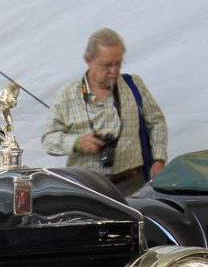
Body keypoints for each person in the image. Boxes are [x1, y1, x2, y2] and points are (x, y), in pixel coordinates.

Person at [42, 28, 169, 196]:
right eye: (106, 65)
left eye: (118, 63)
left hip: (133, 184)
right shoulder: (66, 95)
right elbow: (48, 139)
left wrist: (159, 159)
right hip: (86, 187)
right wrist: (76, 143)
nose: (114, 71)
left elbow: (156, 122)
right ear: (88, 60)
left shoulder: (134, 85)